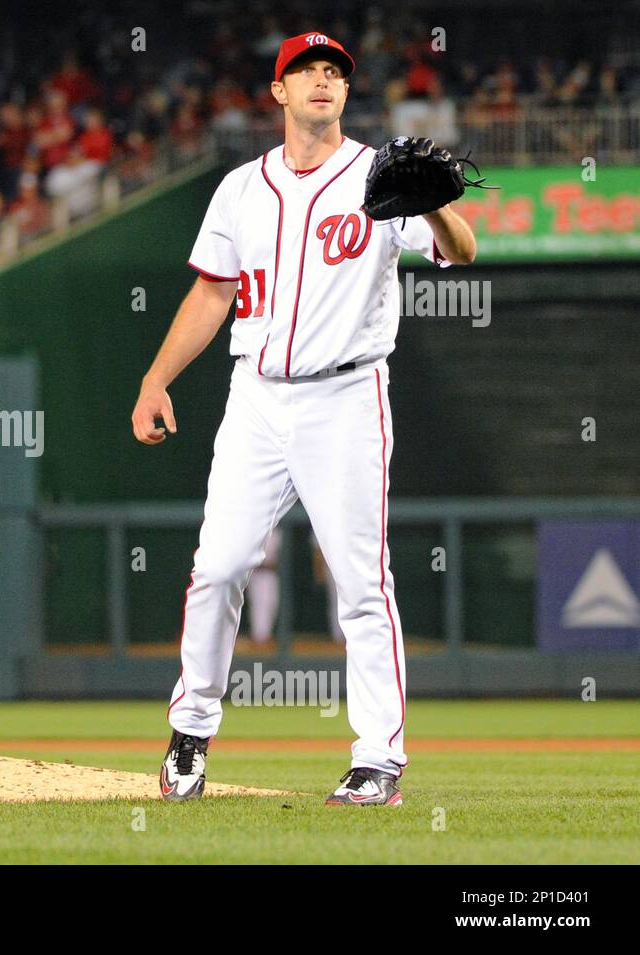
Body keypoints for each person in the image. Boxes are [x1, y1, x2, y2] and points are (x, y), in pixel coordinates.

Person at [131, 33, 476, 807]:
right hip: (254, 393)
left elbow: (462, 253)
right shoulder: (240, 189)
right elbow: (211, 295)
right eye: (305, 71)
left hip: (345, 397)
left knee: (361, 584)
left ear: (345, 92)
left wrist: (439, 206)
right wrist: (156, 378)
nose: (322, 81)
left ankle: (378, 758)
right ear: (278, 91)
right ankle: (190, 733)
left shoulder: (379, 177)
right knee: (217, 564)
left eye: (333, 72)